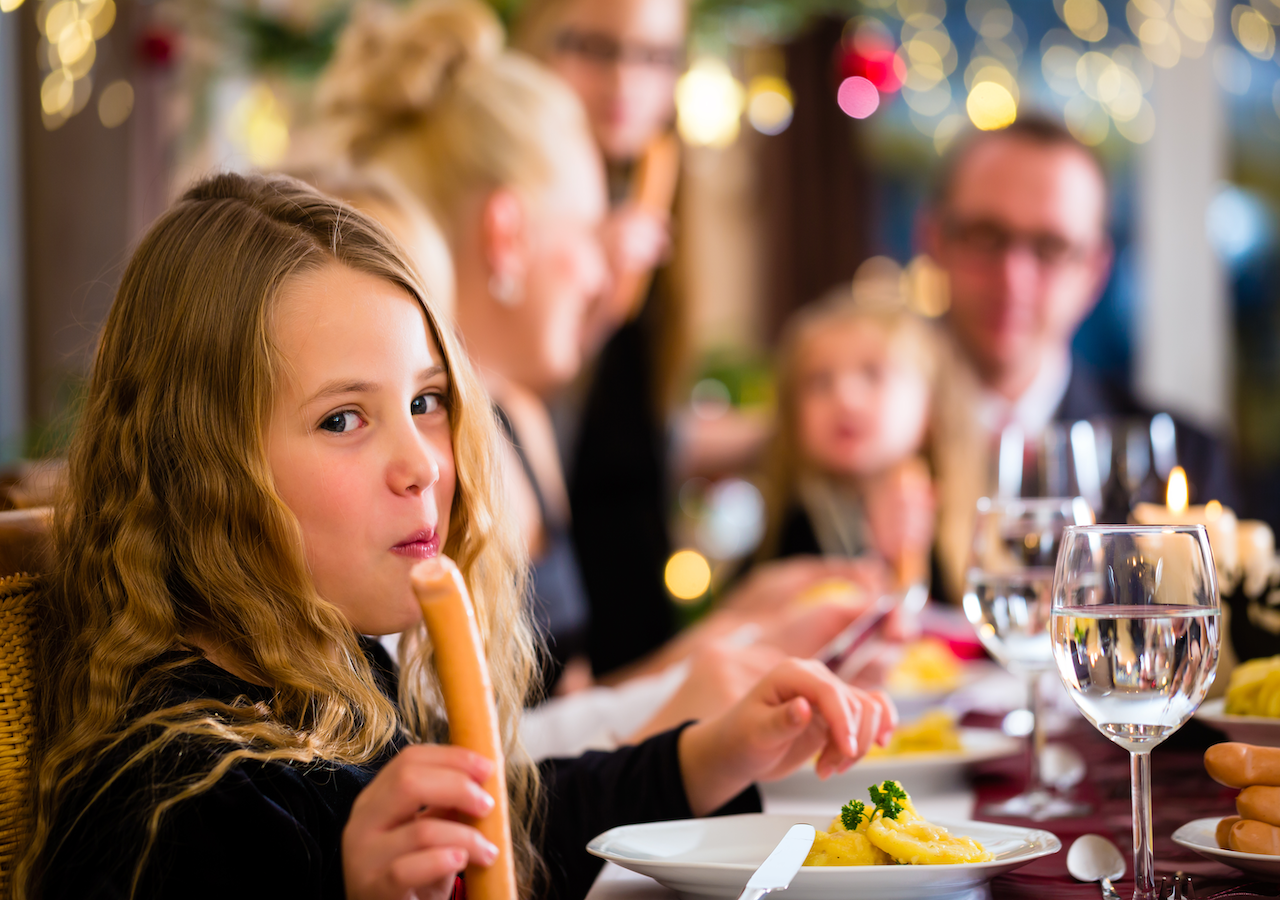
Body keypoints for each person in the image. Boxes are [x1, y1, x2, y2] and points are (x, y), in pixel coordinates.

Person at [16, 172, 895, 900]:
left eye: (426, 402)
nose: (421, 465)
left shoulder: (338, 673)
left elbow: (508, 824)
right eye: (342, 420)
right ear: (199, 465)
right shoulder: (175, 802)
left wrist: (709, 753)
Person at [316, 0, 882, 698]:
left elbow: (569, 715)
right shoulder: (433, 467)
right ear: (506, 235)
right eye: (587, 231)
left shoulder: (520, 416)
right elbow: (504, 763)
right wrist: (732, 653)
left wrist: (745, 628)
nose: (601, 272)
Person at [921, 115, 1238, 604]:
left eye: (1050, 247)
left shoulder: (1181, 457)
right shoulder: (854, 440)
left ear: (1094, 271)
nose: (1013, 279)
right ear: (935, 240)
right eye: (986, 235)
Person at [755, 290, 939, 589]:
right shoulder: (789, 523)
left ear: (929, 408)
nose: (845, 398)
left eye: (873, 374)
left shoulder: (953, 519)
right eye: (820, 381)